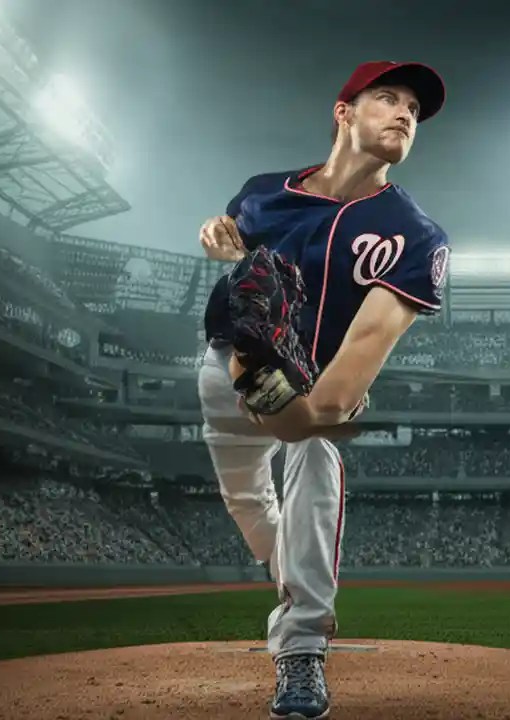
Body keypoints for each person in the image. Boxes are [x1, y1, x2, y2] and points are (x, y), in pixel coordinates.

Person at [196, 60, 450, 720]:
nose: (405, 114)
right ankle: (292, 581)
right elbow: (236, 278)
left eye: (414, 110)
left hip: (311, 378)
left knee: (315, 450)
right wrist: (223, 245)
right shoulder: (260, 194)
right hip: (224, 367)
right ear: (344, 112)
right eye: (387, 98)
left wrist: (311, 407)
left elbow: (349, 374)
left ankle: (301, 646)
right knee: (246, 501)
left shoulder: (415, 235)